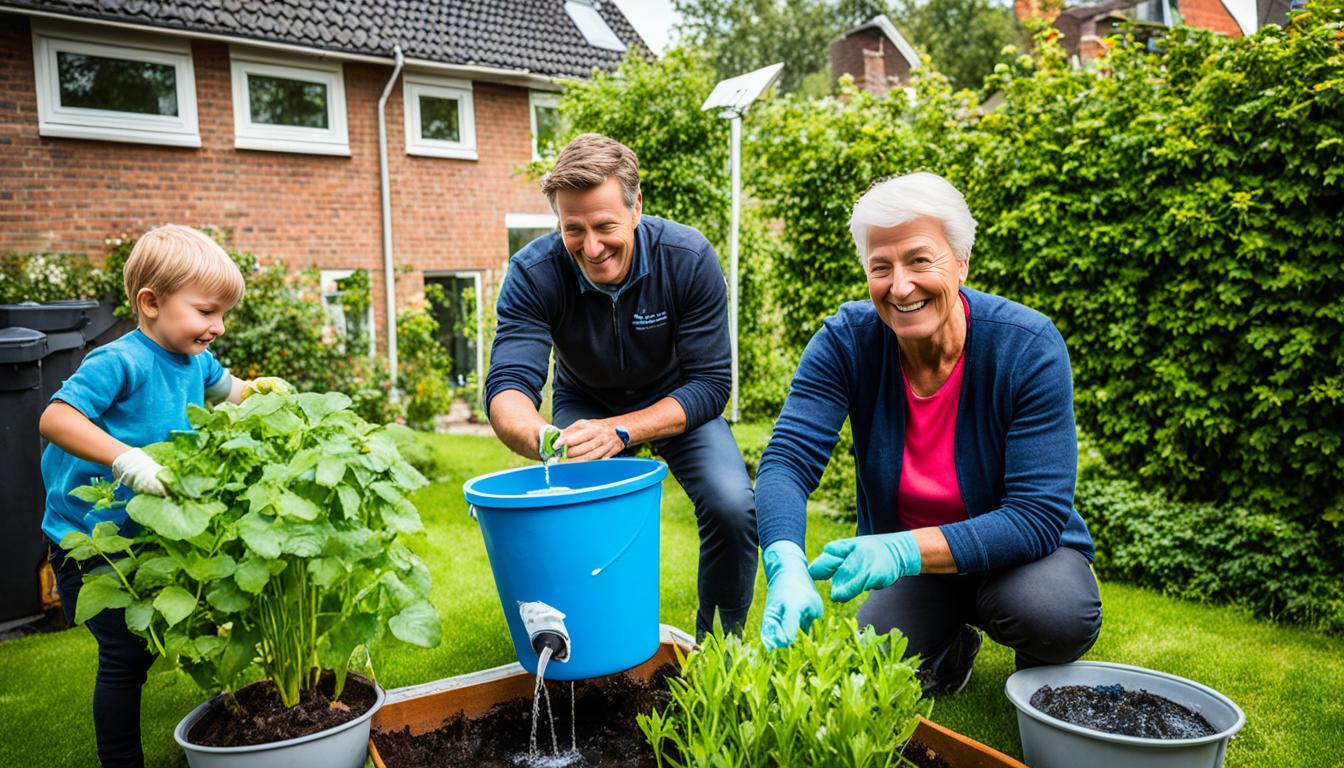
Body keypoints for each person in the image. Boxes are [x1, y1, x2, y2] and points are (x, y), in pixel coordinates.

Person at [754, 173, 1102, 693]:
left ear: (960, 262)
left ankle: (1034, 661)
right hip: (920, 569)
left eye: (920, 260)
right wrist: (784, 561)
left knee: (1052, 612)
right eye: (881, 267)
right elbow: (786, 462)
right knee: (865, 670)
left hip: (1020, 559)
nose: (899, 286)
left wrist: (900, 551)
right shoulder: (846, 341)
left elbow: (1036, 516)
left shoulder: (1027, 346)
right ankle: (954, 644)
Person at [485, 133, 758, 637]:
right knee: (578, 511)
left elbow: (713, 384)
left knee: (731, 504)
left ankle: (723, 643)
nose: (591, 247)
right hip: (585, 402)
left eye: (605, 225)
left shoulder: (687, 257)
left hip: (679, 400)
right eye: (574, 229)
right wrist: (547, 440)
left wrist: (625, 430)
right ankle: (592, 639)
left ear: (636, 209)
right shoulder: (533, 272)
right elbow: (508, 384)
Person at [39, 224, 282, 766]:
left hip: (157, 529)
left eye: (224, 314)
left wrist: (264, 395)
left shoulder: (196, 359)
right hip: (92, 539)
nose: (217, 326)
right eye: (205, 311)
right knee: (125, 656)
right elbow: (55, 417)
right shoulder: (117, 362)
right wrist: (125, 458)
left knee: (175, 632)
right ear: (150, 302)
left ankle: (219, 726)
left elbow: (233, 393)